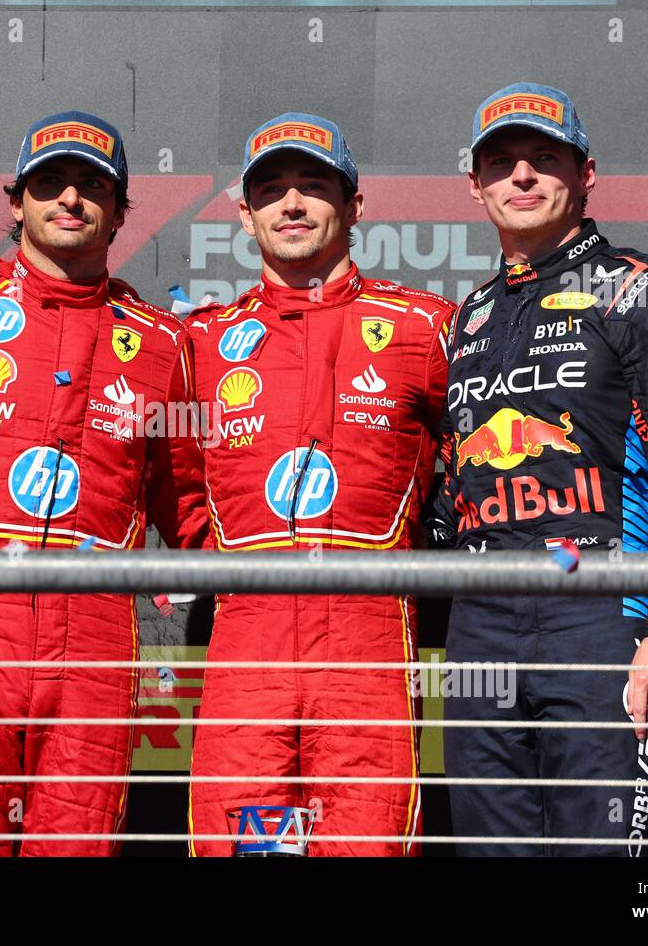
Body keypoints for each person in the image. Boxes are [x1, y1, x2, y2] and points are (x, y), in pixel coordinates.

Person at [433, 82, 648, 855]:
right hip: (479, 624)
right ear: (475, 185)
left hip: (602, 612)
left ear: (586, 174)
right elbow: (450, 489)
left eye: (545, 159)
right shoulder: (466, 316)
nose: (523, 177)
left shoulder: (640, 288)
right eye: (501, 163)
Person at [0, 110, 210, 856]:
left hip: (97, 633)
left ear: (119, 213)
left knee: (76, 846)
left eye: (91, 186)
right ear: (16, 202)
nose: (69, 199)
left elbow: (188, 503)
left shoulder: (165, 343)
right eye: (49, 183)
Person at [186, 113, 456, 856]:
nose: (292, 204)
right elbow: (172, 475)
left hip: (369, 636)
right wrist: (218, 564)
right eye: (271, 190)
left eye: (313, 186)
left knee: (364, 848)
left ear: (355, 204)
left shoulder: (424, 327)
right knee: (244, 847)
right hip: (248, 640)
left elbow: (478, 460)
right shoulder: (201, 340)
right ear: (245, 215)